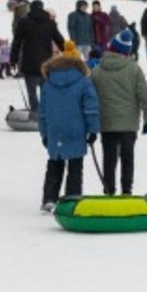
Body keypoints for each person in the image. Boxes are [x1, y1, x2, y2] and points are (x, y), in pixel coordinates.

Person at [90, 29, 147, 196]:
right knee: (128, 159)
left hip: (107, 123)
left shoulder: (97, 71)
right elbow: (144, 97)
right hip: (128, 124)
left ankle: (109, 191)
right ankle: (127, 191)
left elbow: (89, 100)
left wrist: (89, 124)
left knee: (109, 160)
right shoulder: (134, 69)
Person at [38, 42, 101, 212]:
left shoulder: (48, 82)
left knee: (54, 164)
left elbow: (42, 111)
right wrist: (93, 130)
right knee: (75, 166)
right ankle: (72, 199)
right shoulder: (83, 81)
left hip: (54, 130)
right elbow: (90, 108)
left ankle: (49, 198)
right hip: (76, 129)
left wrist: (44, 133)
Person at [11, 0, 65, 111]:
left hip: (29, 62)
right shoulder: (50, 23)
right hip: (46, 63)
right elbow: (60, 41)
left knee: (31, 91)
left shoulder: (24, 22)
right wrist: (69, 54)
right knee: (46, 90)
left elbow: (17, 42)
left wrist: (13, 59)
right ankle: (46, 111)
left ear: (31, 8)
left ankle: (35, 112)